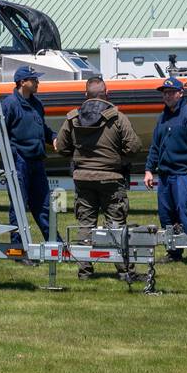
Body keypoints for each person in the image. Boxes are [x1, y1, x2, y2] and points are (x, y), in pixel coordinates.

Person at [56, 78, 141, 279]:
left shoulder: (72, 118)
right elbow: (134, 146)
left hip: (83, 178)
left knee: (85, 224)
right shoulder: (117, 118)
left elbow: (61, 146)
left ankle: (84, 270)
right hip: (111, 178)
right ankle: (124, 271)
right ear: (107, 93)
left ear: (86, 94)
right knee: (116, 225)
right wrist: (118, 157)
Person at [143, 77, 187, 266]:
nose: (168, 95)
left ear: (181, 93)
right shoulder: (162, 118)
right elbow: (156, 146)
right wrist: (148, 170)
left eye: (171, 92)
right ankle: (173, 252)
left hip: (184, 174)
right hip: (165, 176)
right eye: (165, 92)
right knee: (166, 216)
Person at [0, 65, 56, 247]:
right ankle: (18, 249)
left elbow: (42, 128)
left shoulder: (37, 104)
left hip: (37, 162)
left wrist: (54, 138)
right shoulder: (9, 104)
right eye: (34, 80)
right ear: (22, 82)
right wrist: (14, 156)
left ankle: (54, 245)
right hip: (19, 164)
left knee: (44, 206)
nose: (38, 83)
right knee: (19, 207)